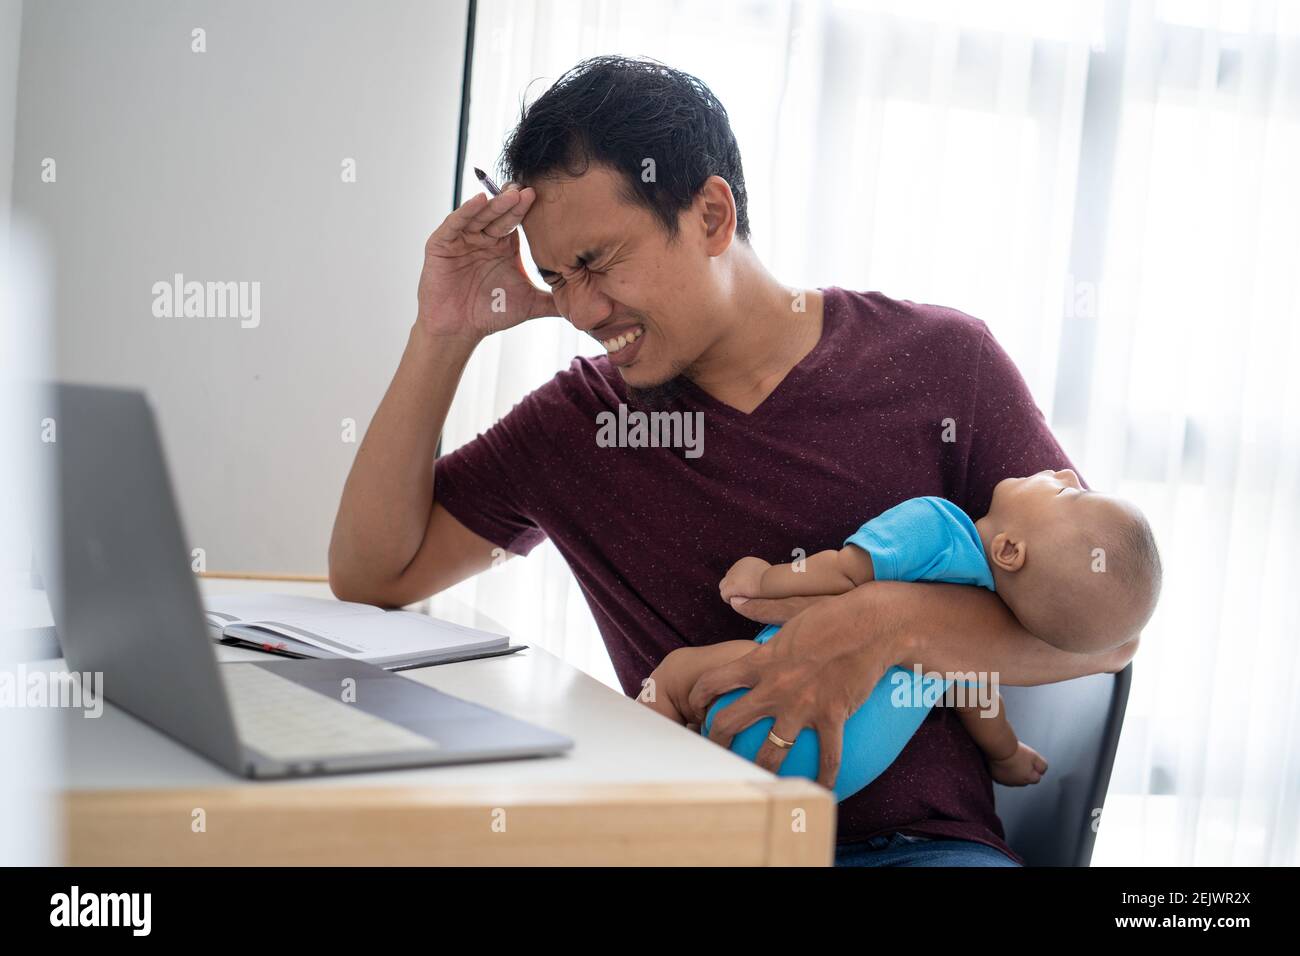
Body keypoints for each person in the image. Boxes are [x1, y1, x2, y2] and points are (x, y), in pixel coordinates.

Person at [328, 55, 1141, 866]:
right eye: (555, 278)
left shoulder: (940, 361)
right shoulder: (580, 423)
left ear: (712, 214)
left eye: (597, 263)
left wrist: (886, 623)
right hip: (698, 847)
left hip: (915, 850)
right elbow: (376, 573)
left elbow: (1105, 635)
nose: (578, 310)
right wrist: (444, 331)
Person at [640, 477, 1162, 804]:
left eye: (1066, 492)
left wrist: (763, 579)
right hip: (837, 774)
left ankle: (640, 773)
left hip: (755, 701)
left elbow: (843, 573)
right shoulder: (977, 635)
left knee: (675, 674)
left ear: (1008, 550)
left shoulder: (940, 526)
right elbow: (979, 701)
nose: (1066, 472)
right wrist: (1007, 755)